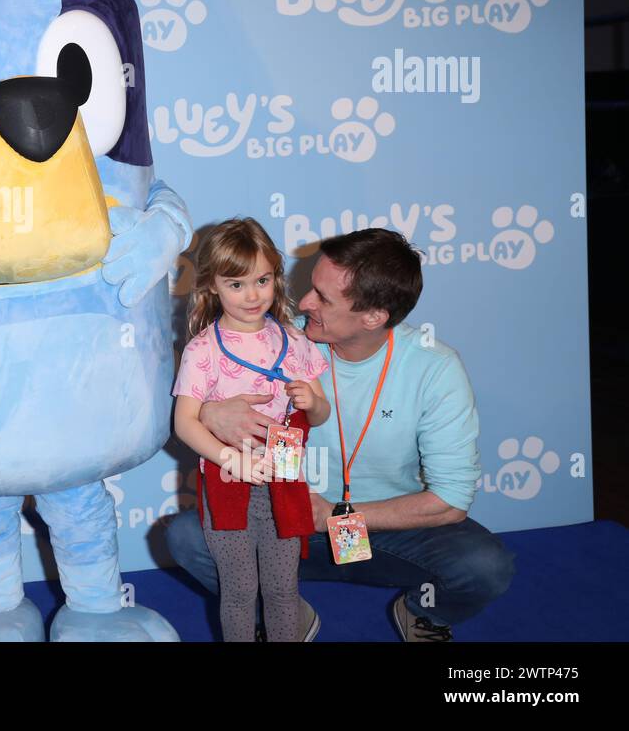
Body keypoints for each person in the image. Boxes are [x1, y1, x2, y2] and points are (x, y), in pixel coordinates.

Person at [165, 228, 514, 641]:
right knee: (188, 538)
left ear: (373, 316)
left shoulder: (435, 369)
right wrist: (209, 413)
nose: (304, 302)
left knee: (485, 565)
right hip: (285, 520)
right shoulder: (277, 339)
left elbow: (450, 502)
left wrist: (334, 515)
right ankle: (282, 613)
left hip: (384, 532)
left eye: (323, 299)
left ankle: (423, 610)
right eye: (310, 287)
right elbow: (189, 403)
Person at [173, 218, 330, 642]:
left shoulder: (295, 341)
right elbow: (184, 423)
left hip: (284, 480)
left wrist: (313, 403)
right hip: (228, 483)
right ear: (211, 286)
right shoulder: (202, 350)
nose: (252, 295)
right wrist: (232, 459)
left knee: (283, 589)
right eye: (236, 284)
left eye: (262, 280)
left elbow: (321, 414)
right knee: (240, 590)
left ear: (276, 278)